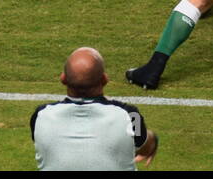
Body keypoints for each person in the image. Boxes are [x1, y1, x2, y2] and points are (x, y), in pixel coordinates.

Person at [30, 47, 158, 170]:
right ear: (105, 79)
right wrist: (152, 140)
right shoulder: (131, 116)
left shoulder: (40, 116)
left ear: (63, 79)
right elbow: (144, 146)